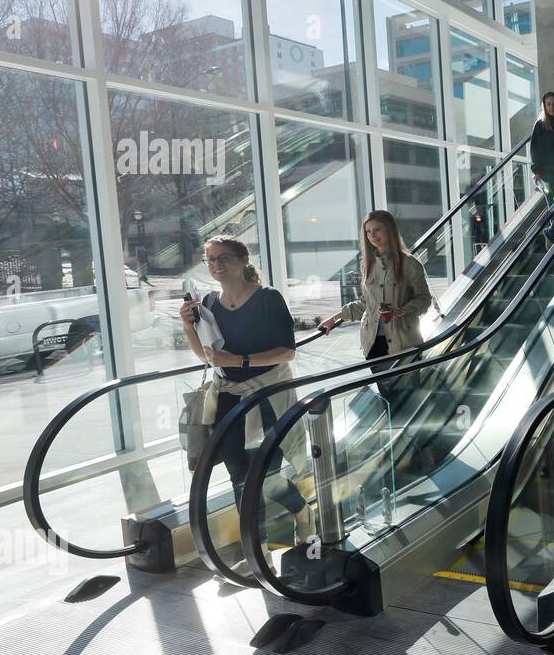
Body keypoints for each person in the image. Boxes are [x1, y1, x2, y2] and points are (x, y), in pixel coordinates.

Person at [179, 236, 313, 546]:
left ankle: (302, 511)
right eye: (210, 260)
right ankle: (258, 550)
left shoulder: (268, 298)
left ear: (242, 261)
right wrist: (188, 326)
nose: (216, 266)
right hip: (229, 397)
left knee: (267, 476)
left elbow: (287, 352)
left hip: (269, 396)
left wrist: (239, 359)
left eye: (223, 258)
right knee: (239, 475)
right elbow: (206, 357)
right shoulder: (209, 303)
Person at [318, 210, 433, 374]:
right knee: (384, 393)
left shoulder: (410, 264)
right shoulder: (367, 265)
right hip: (372, 343)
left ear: (390, 230)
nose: (372, 235)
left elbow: (424, 298)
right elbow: (366, 303)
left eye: (377, 229)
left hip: (404, 342)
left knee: (405, 393)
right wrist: (335, 318)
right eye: (368, 231)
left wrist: (403, 310)